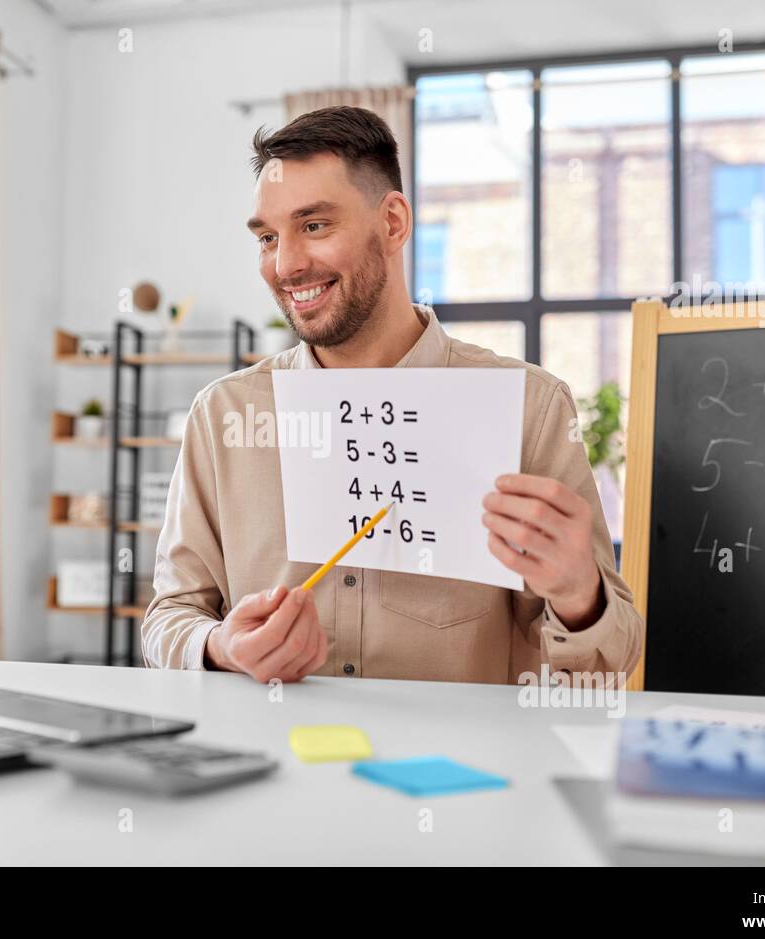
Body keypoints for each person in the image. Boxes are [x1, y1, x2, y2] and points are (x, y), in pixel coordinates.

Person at [142, 105, 643, 685]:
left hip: (460, 774)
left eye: (314, 226)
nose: (285, 264)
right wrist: (219, 645)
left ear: (395, 223)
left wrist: (581, 596)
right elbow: (169, 617)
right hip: (273, 769)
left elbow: (605, 672)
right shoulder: (225, 415)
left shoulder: (529, 409)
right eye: (268, 238)